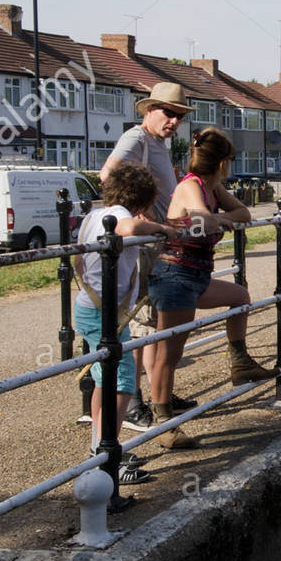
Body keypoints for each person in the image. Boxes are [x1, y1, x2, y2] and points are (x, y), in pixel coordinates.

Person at [148, 128, 275, 448]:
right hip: (175, 277)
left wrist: (221, 218)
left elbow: (243, 213)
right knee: (170, 353)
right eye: (229, 161)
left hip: (198, 277)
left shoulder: (213, 187)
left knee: (240, 298)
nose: (230, 166)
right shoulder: (191, 185)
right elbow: (203, 219)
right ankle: (163, 424)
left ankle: (240, 363)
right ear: (222, 162)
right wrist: (220, 219)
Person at [99, 82, 200, 432]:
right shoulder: (137, 138)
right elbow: (109, 173)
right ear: (149, 110)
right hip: (144, 246)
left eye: (179, 116)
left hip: (159, 242)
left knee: (156, 319)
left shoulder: (157, 142)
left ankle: (161, 396)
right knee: (143, 322)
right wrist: (137, 216)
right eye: (168, 113)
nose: (173, 121)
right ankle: (137, 404)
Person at [74, 163, 180, 484]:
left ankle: (101, 448)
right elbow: (125, 230)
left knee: (103, 380)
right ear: (143, 200)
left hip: (90, 307)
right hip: (103, 313)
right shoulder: (119, 216)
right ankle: (106, 461)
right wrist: (162, 229)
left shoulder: (93, 215)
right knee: (121, 382)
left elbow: (81, 259)